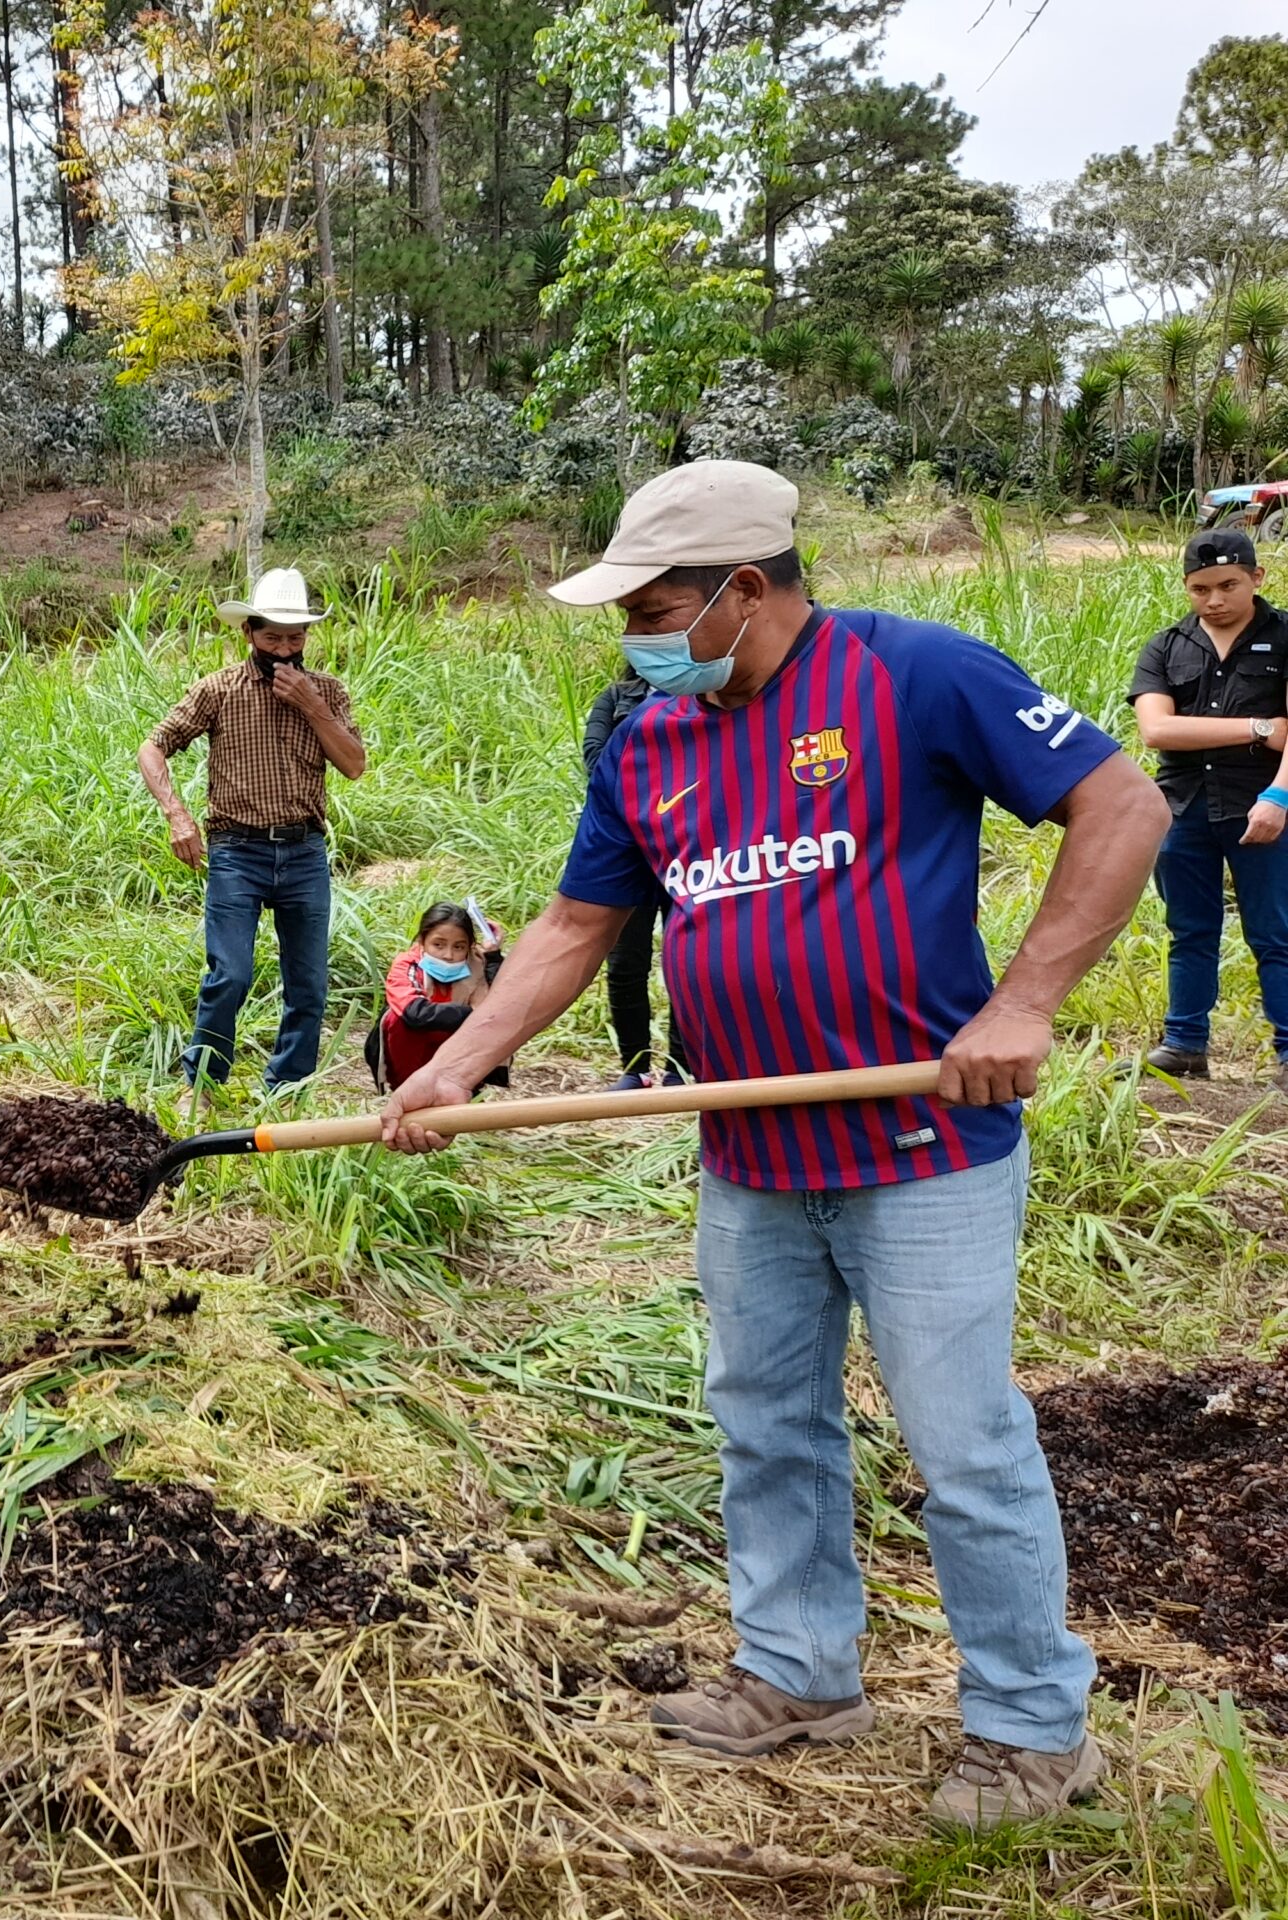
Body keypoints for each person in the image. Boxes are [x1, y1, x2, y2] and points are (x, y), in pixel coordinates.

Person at [378, 461, 1168, 1831]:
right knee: (765, 1424)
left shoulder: (916, 675)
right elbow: (575, 928)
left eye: (656, 603)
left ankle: (1034, 1731)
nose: (634, 632)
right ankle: (800, 1671)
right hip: (748, 1150)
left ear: (747, 590)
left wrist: (1026, 1000)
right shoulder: (648, 739)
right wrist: (454, 1064)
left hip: (923, 1143)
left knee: (963, 1443)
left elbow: (1125, 805)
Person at [138, 566, 368, 1091]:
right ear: (248, 634)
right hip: (237, 852)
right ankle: (204, 1084)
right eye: (272, 638)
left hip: (304, 852)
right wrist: (176, 813)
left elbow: (354, 765)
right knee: (230, 975)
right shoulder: (219, 690)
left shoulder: (328, 692)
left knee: (308, 984)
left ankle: (287, 1086)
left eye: (295, 637)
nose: (285, 651)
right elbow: (153, 746)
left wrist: (311, 706)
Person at [1128, 527, 1288, 1088]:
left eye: (1228, 585)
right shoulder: (1166, 645)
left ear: (1256, 578)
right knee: (1190, 929)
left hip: (1264, 806)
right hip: (1182, 806)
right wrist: (1261, 726)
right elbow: (1156, 729)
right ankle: (1185, 1045)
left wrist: (1279, 796)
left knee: (1276, 932)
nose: (1214, 600)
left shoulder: (1285, 636)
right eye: (1200, 589)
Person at [583, 665, 686, 1089]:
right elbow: (595, 759)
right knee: (626, 963)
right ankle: (635, 1068)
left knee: (685, 960)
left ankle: (679, 1067)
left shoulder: (703, 694)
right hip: (627, 847)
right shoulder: (616, 695)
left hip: (686, 841)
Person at [365, 901, 508, 1094]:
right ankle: (407, 1090)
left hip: (459, 1056)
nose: (448, 955)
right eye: (438, 944)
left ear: (470, 947)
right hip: (412, 1055)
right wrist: (474, 1013)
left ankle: (464, 1087)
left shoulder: (479, 964)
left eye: (458, 947)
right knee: (396, 1019)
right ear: (422, 941)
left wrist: (493, 956)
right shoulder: (406, 965)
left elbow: (504, 1003)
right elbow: (414, 1013)